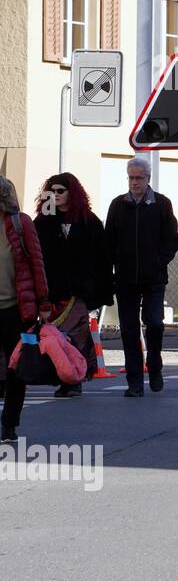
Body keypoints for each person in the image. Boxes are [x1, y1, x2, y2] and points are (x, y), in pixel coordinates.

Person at [104, 158, 178, 397]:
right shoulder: (118, 205)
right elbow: (109, 240)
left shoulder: (162, 204)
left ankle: (155, 366)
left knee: (155, 323)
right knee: (128, 329)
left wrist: (159, 261)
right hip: (125, 278)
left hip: (154, 278)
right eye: (131, 178)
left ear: (148, 179)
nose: (135, 182)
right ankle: (134, 381)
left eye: (139, 178)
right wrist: (112, 268)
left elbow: (172, 239)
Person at [32, 173, 113, 397]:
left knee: (76, 333)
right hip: (51, 289)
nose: (55, 195)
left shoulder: (88, 221)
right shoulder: (43, 221)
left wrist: (101, 290)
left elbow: (102, 258)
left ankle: (74, 379)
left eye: (61, 191)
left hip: (79, 290)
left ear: (71, 193)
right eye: (52, 191)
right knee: (54, 335)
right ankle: (61, 377)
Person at [0, 174, 52, 441]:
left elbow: (37, 265)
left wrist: (43, 303)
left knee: (16, 368)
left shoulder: (21, 224)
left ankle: (9, 423)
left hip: (16, 310)